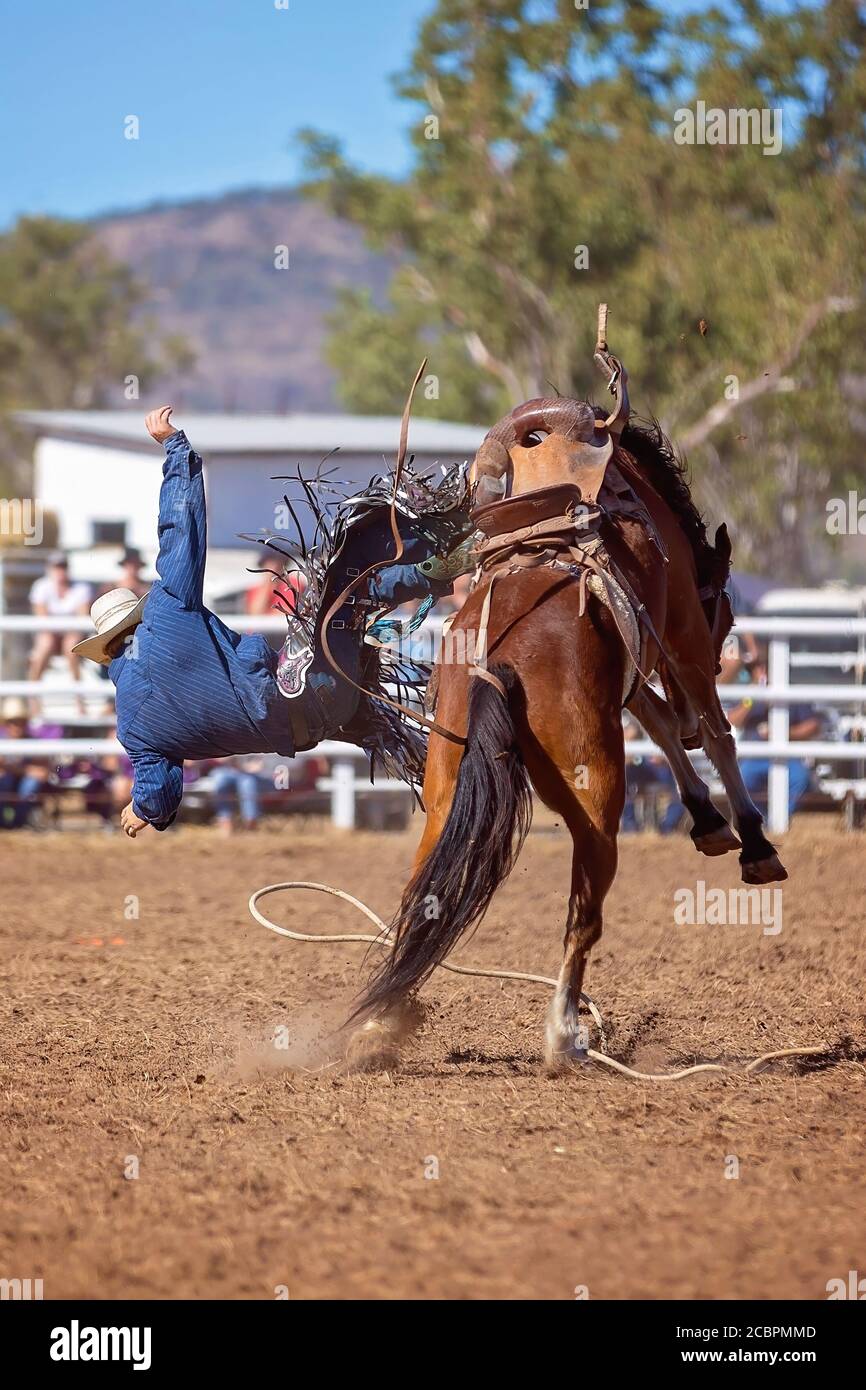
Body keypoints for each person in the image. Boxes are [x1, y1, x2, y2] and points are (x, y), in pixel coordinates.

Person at [71, 407, 472, 839]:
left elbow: (160, 789)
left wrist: (145, 808)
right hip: (308, 690)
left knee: (368, 663)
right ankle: (456, 548)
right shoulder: (166, 613)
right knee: (342, 580)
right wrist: (176, 451)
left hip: (318, 727)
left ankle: (449, 766)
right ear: (136, 616)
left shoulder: (133, 725)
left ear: (107, 651)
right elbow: (181, 534)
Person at [727, 657, 821, 819]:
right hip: (753, 757)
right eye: (757, 668)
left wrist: (783, 733)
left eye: (764, 668)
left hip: (786, 756)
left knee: (799, 777)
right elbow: (733, 720)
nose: (761, 672)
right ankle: (759, 821)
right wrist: (752, 696)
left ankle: (778, 821)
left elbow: (813, 725)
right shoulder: (747, 693)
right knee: (742, 780)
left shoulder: (792, 691)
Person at [28, 551, 91, 704]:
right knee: (46, 643)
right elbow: (42, 619)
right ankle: (33, 698)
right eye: (57, 567)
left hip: (70, 634)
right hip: (51, 633)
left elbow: (81, 619)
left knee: (70, 645)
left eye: (63, 567)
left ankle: (78, 698)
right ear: (49, 569)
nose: (60, 571)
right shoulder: (41, 587)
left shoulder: (81, 588)